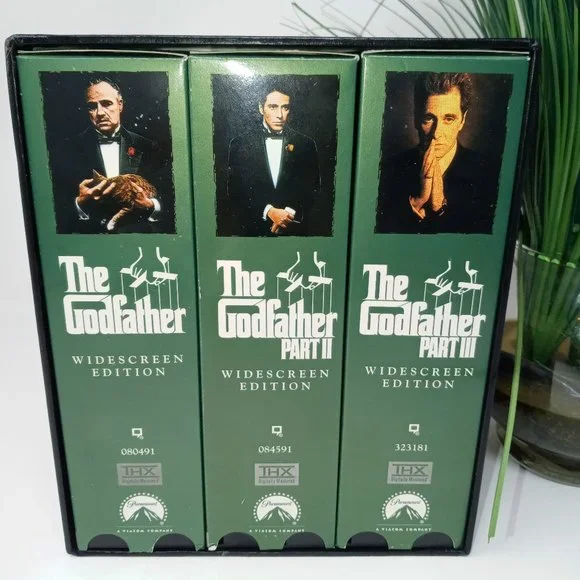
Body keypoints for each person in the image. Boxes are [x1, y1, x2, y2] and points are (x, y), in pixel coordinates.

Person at [376, 72, 496, 234]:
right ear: (416, 118)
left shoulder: (489, 174)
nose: (436, 133)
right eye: (429, 118)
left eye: (448, 119)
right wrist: (417, 202)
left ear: (462, 120)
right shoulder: (386, 170)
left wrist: (439, 206)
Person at [52, 78, 166, 234]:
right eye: (92, 106)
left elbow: (173, 201)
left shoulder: (148, 147)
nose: (100, 113)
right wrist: (79, 203)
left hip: (139, 239)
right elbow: (51, 207)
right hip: (89, 239)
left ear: (120, 104)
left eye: (106, 103)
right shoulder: (67, 149)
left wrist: (150, 205)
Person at [226, 84, 321, 236]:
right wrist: (269, 211)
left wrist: (287, 215)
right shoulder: (239, 144)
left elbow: (313, 189)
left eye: (285, 108)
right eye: (273, 107)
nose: (280, 115)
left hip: (295, 233)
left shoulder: (306, 144)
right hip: (251, 233)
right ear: (261, 108)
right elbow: (235, 190)